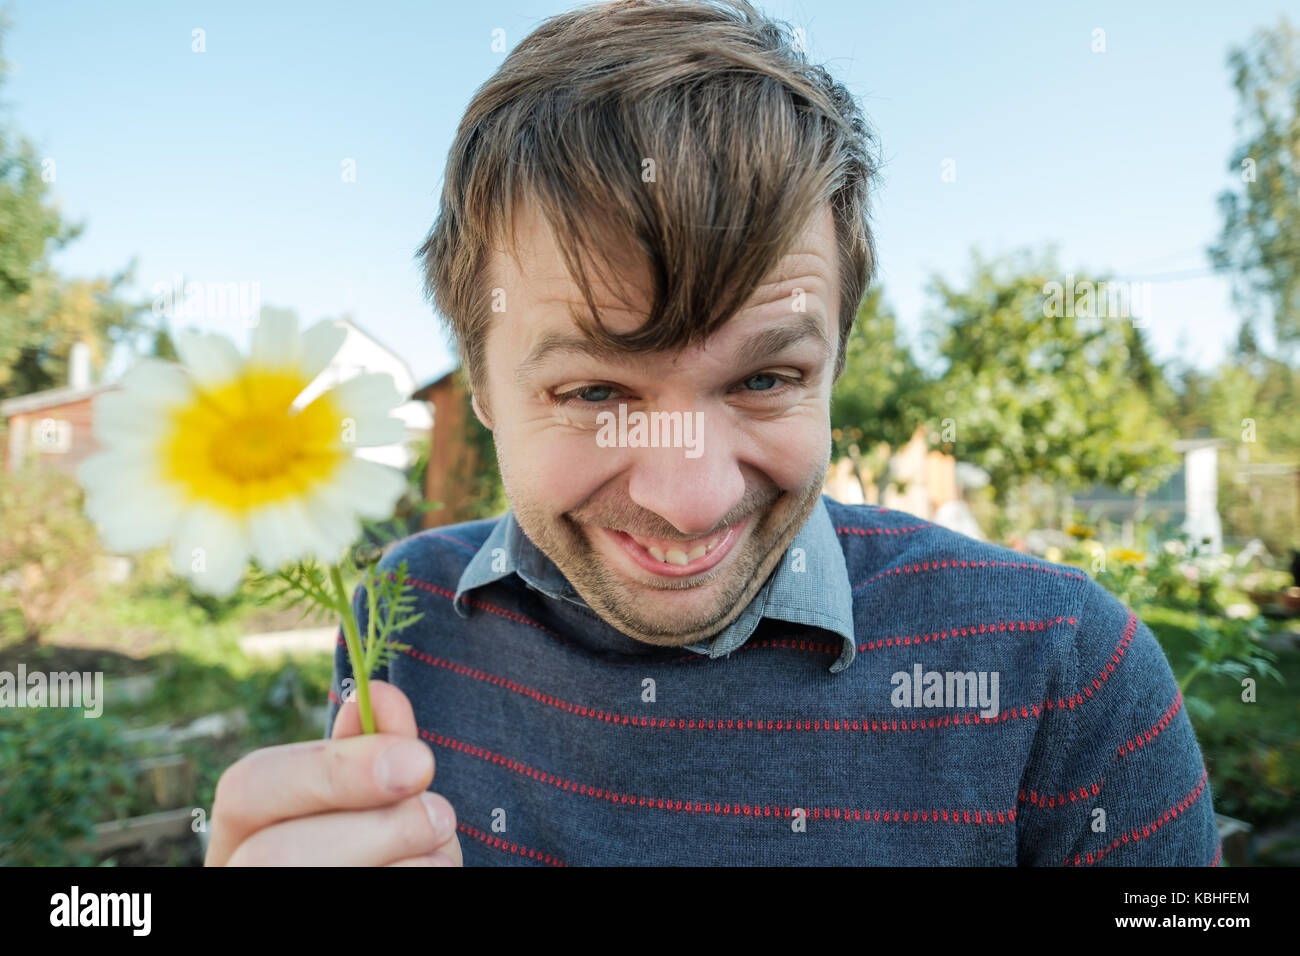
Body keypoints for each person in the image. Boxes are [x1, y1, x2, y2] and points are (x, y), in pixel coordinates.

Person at [206, 0, 1220, 867]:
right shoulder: (396, 618)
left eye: (766, 377)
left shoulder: (1065, 675)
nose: (689, 499)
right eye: (595, 390)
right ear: (477, 380)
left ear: (835, 363)